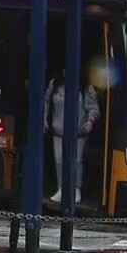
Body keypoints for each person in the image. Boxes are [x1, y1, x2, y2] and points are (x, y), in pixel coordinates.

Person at [45, 70, 100, 204]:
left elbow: (93, 108)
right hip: (58, 130)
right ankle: (61, 188)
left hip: (78, 133)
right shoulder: (54, 84)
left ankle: (76, 189)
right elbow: (46, 102)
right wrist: (44, 119)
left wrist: (90, 122)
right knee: (59, 160)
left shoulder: (85, 87)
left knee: (76, 161)